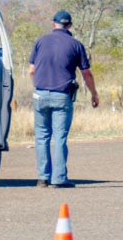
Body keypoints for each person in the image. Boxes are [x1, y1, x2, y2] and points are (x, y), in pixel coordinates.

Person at [29, 10, 100, 188]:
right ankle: (59, 179)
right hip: (62, 96)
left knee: (42, 137)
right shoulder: (76, 45)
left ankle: (43, 178)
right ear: (69, 25)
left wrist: (38, 88)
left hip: (41, 94)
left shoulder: (40, 42)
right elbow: (86, 73)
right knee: (60, 137)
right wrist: (94, 93)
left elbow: (32, 70)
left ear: (54, 24)